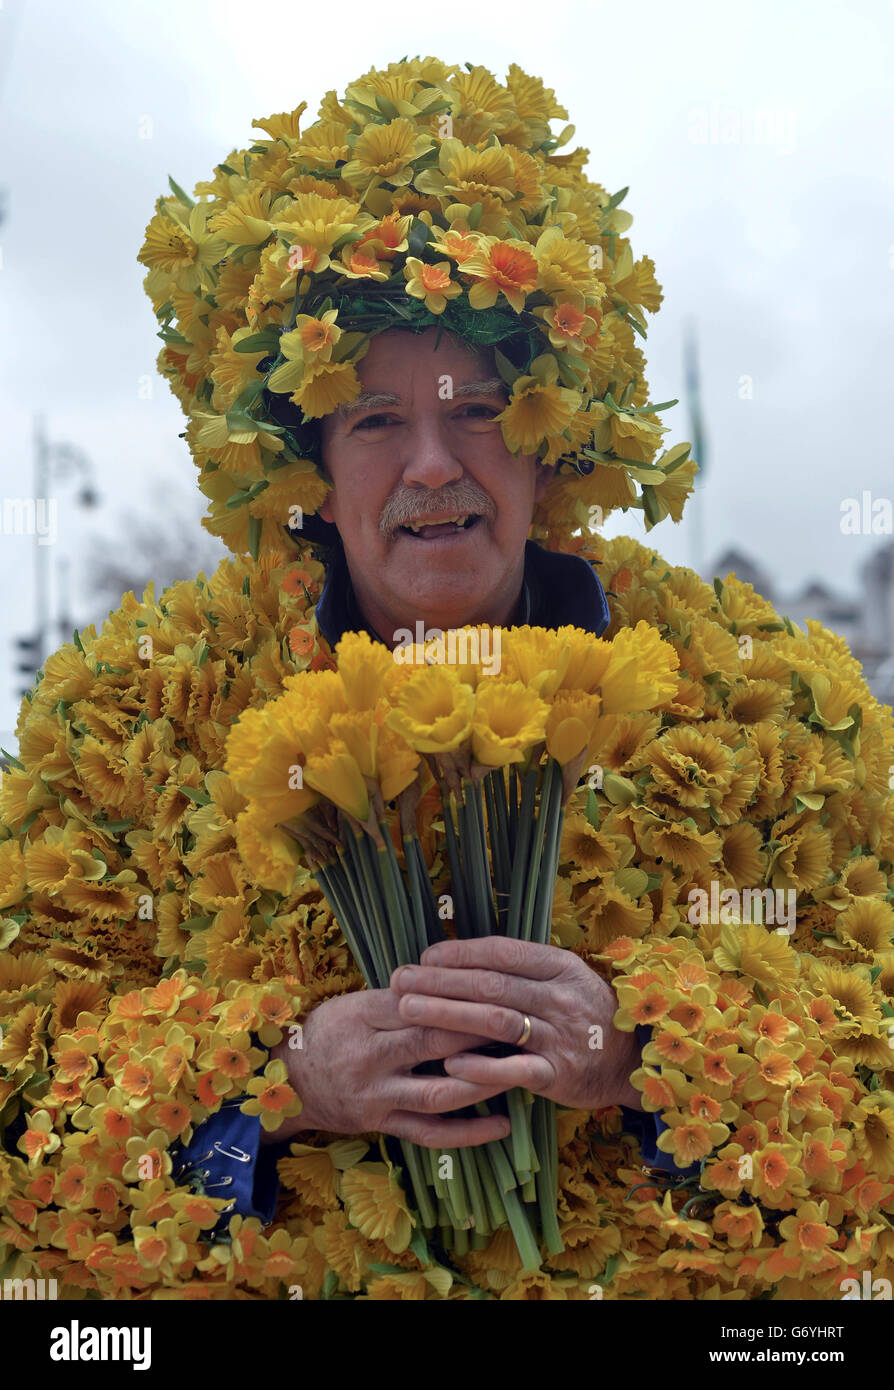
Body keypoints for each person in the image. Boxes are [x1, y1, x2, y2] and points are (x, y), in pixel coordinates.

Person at [2, 56, 892, 1301]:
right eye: (372, 421)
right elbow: (24, 1124)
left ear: (555, 443)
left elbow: (872, 1108)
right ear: (304, 463)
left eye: (480, 411)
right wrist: (284, 1077)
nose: (431, 466)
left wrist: (643, 1052)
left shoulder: (768, 703)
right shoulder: (127, 714)